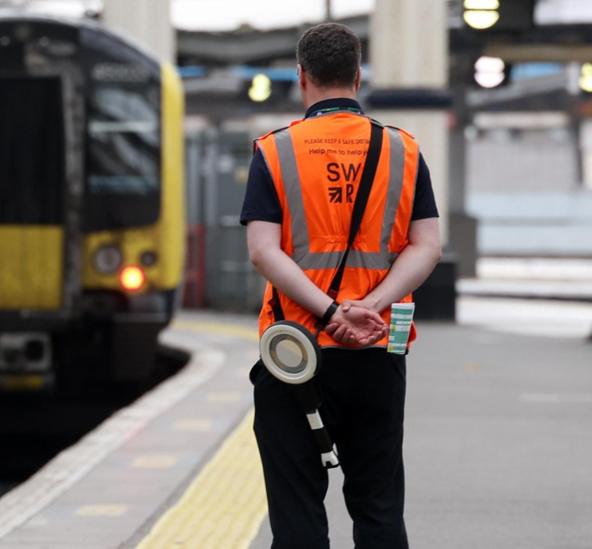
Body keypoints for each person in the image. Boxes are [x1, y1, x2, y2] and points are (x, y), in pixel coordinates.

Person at [241, 23, 442, 549]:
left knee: (298, 512)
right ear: (358, 76)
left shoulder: (274, 151)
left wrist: (331, 313)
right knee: (378, 507)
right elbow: (427, 246)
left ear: (301, 76)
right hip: (378, 347)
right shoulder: (404, 150)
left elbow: (264, 251)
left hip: (294, 354)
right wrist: (369, 307)